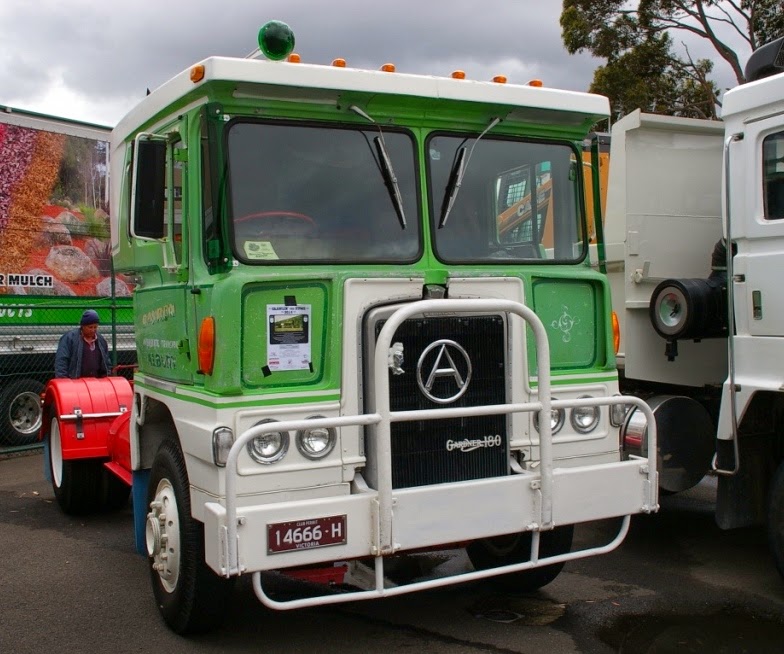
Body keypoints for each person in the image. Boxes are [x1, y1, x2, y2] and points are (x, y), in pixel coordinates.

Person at [54, 309, 112, 379]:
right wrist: (63, 380)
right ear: (83, 326)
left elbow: (106, 362)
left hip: (96, 383)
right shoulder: (69, 338)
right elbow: (61, 361)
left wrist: (106, 377)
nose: (93, 330)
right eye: (90, 327)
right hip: (75, 382)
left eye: (95, 327)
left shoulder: (101, 340)